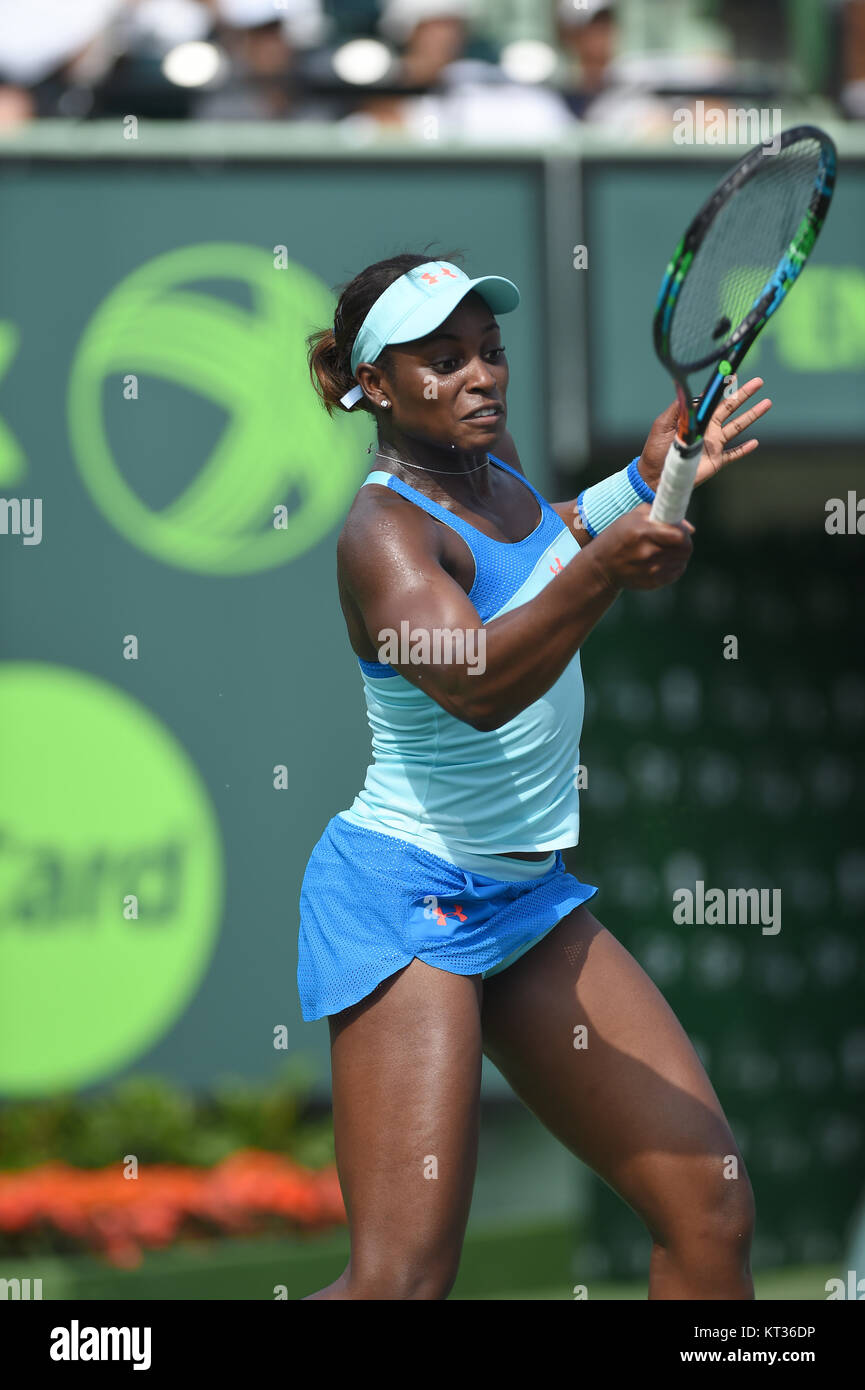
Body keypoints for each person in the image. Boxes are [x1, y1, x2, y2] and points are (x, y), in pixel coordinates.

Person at [299, 249, 771, 1300]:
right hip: (408, 899)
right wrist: (608, 568)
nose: (479, 376)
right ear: (374, 385)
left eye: (489, 351)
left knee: (710, 1209)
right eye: (441, 359)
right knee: (401, 1284)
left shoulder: (492, 465)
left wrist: (639, 487)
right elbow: (475, 681)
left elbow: (537, 553)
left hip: (526, 899)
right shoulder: (383, 534)